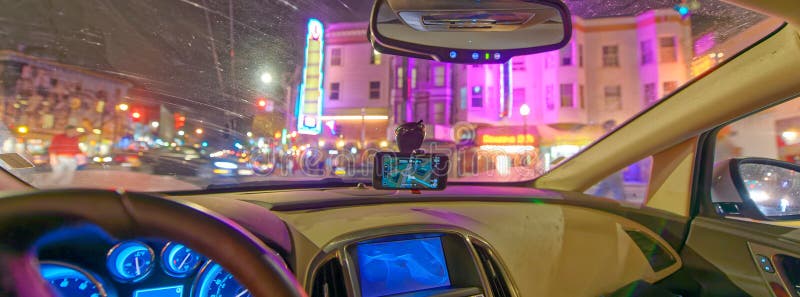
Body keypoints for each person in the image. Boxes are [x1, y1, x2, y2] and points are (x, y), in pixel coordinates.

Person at [593, 120, 626, 200]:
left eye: (614, 125)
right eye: (611, 125)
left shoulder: (609, 138)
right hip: (611, 167)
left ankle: (591, 202)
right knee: (618, 189)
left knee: (604, 188)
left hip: (610, 167)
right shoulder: (608, 138)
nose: (614, 127)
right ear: (606, 127)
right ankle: (622, 206)